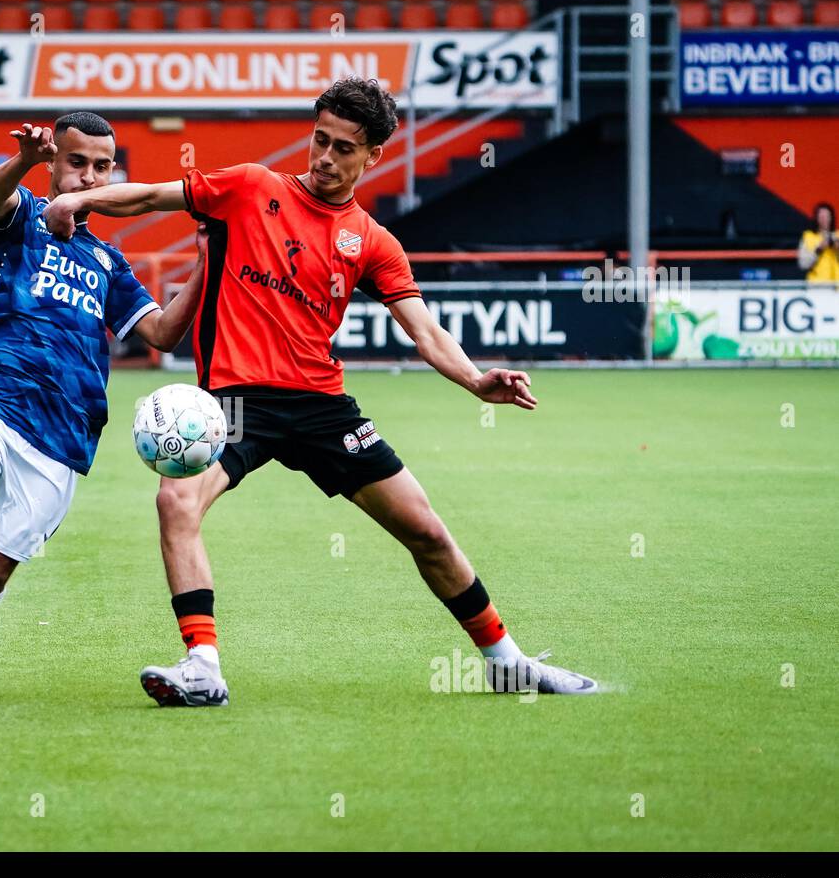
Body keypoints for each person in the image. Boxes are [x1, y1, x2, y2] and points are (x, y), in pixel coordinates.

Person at [46, 77, 599, 705]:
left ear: (374, 157)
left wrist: (475, 378)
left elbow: (424, 329)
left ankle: (506, 660)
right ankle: (202, 664)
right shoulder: (253, 187)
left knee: (426, 531)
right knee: (176, 502)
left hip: (320, 405)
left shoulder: (373, 241)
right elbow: (149, 196)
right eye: (320, 141)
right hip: (236, 399)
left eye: (343, 149)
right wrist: (77, 205)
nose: (326, 159)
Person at [0, 113, 207, 698]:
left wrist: (206, 260)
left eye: (102, 167)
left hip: (65, 433)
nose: (88, 176)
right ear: (55, 165)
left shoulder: (111, 263)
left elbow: (161, 333)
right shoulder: (22, 218)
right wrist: (23, 161)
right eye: (76, 162)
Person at [797, 202, 838, 283]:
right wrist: (819, 249)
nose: (824, 219)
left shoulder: (837, 236)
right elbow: (803, 265)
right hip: (817, 286)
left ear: (831, 218)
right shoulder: (808, 237)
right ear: (816, 218)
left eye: (827, 216)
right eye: (821, 217)